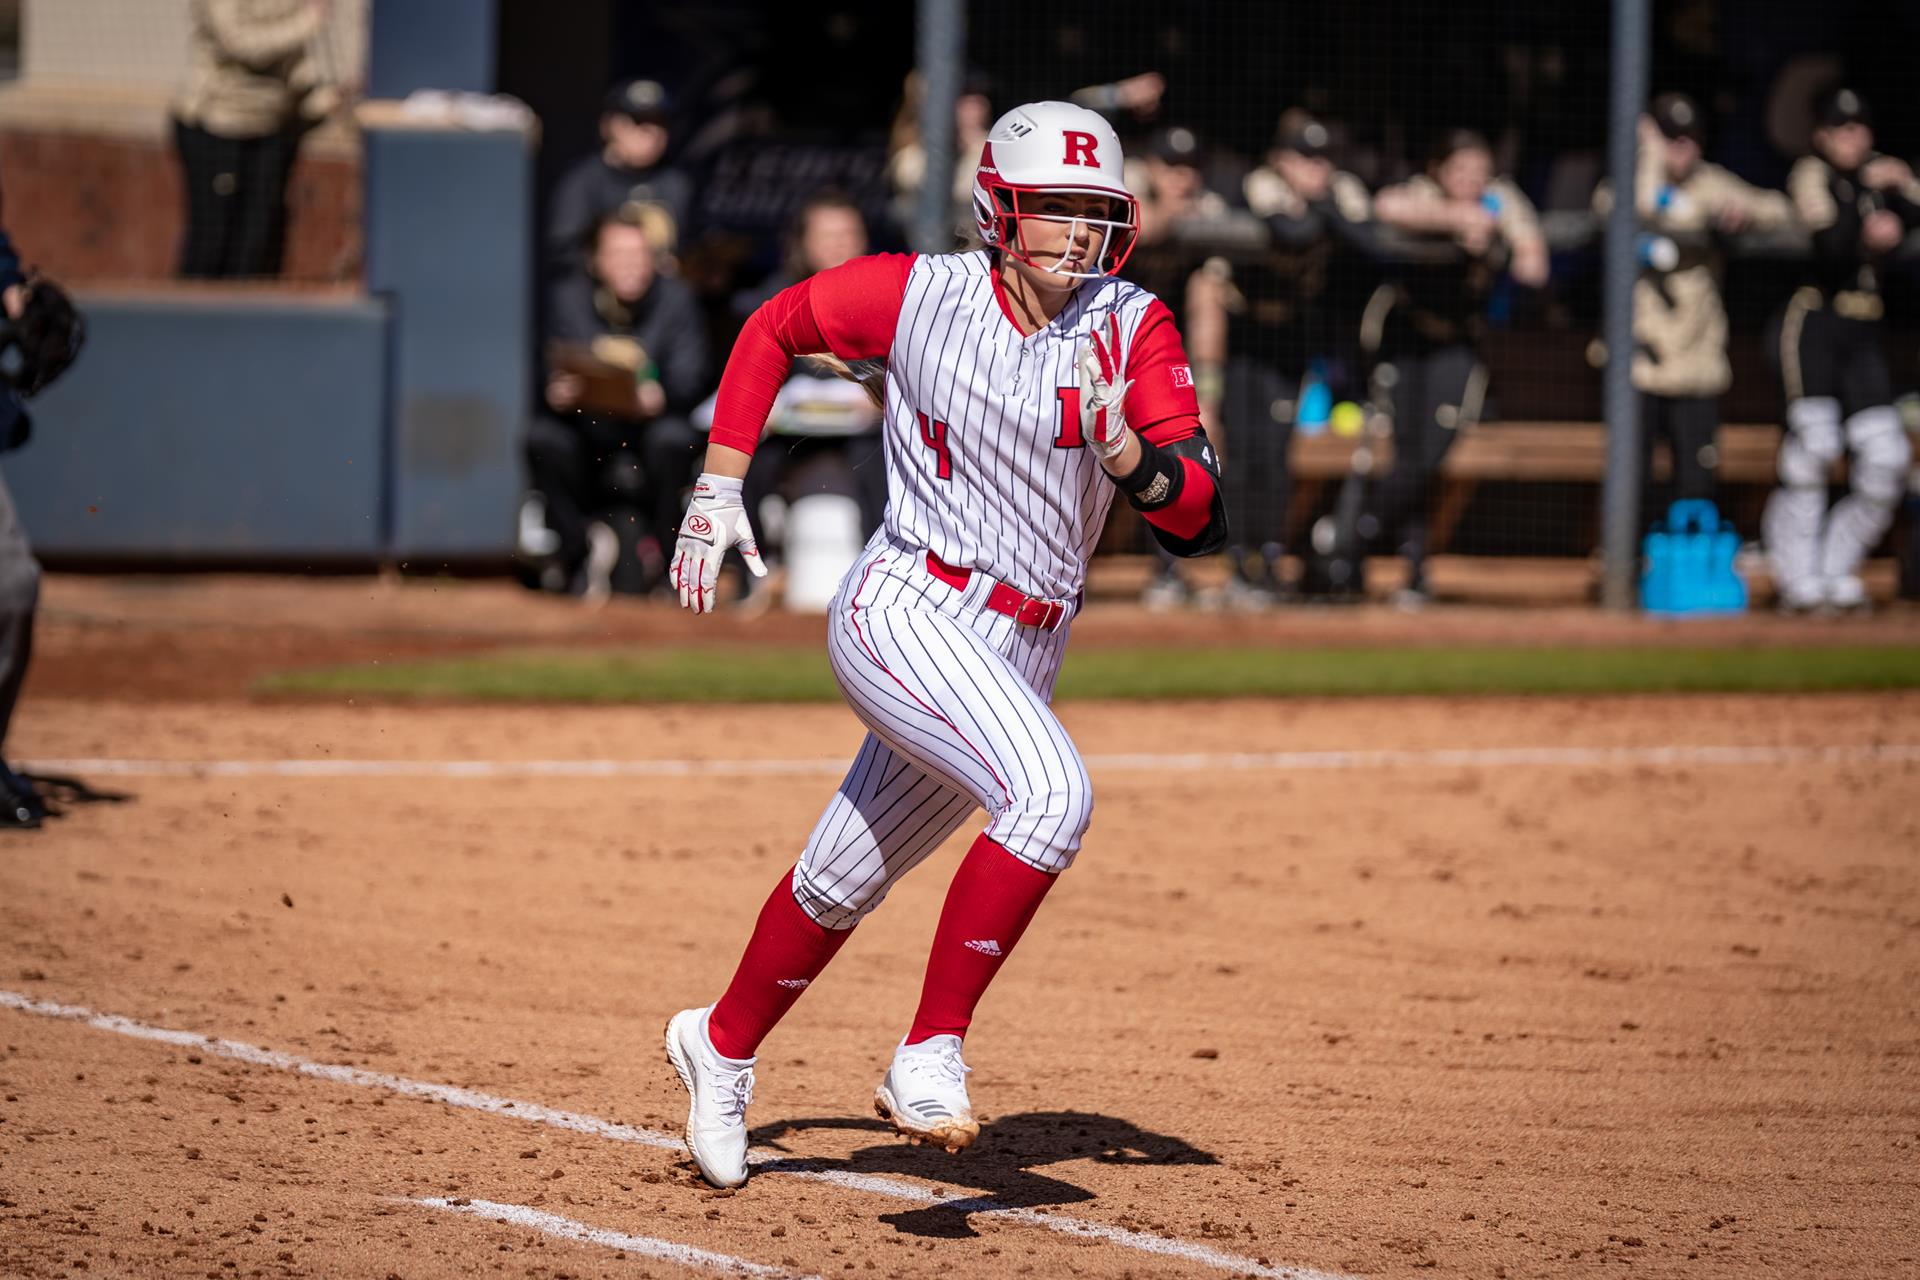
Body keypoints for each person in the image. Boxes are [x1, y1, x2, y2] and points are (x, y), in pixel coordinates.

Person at [660, 100, 1226, 1189]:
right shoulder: (917, 292)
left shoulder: (1133, 322)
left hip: (1026, 644)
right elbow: (773, 325)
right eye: (1053, 207)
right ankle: (931, 1048)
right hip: (908, 605)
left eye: (1094, 210)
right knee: (1050, 796)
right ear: (999, 210)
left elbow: (1199, 518)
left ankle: (718, 1045)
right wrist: (717, 483)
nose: (1077, 231)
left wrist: (1129, 457)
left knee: (841, 878)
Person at [1362, 129, 1549, 606]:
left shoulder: (1499, 198)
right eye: (1460, 169)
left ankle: (1354, 533)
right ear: (1438, 170)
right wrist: (1457, 219)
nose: (1471, 179)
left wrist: (1502, 237)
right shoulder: (1424, 192)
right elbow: (1384, 206)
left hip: (1457, 342)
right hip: (1406, 338)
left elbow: (1534, 267)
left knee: (1432, 452)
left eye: (1479, 170)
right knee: (1407, 452)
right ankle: (1412, 568)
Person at [1196, 111, 1373, 602]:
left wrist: (1324, 209)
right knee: (1242, 448)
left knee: (1275, 452)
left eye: (1324, 157)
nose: (1316, 167)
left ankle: (1269, 559)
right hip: (1247, 333)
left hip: (1294, 334)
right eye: (1304, 156)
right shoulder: (1262, 184)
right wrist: (1327, 215)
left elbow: (1372, 243)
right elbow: (1290, 232)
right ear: (1280, 158)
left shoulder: (1341, 188)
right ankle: (1240, 561)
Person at [1593, 94, 1796, 516]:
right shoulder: (1625, 184)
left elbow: (1782, 210)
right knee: (1632, 481)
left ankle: (1683, 558)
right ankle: (1626, 556)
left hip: (1696, 362)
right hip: (1640, 365)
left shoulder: (1710, 183)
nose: (1682, 147)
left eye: (1691, 137)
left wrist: (1743, 214)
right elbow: (1639, 205)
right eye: (1671, 137)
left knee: (1696, 483)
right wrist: (1649, 154)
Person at [1764, 87, 1917, 613]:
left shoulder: (1883, 175)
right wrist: (1866, 209)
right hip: (1815, 324)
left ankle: (1835, 569)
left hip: (1864, 330)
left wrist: (1903, 191)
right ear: (1821, 135)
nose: (1852, 137)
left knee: (1887, 457)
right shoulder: (1812, 173)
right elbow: (1830, 241)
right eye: (1840, 128)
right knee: (1814, 450)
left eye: (1859, 127)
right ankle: (1797, 580)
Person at [523, 208, 707, 599]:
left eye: (639, 255)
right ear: (595, 261)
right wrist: (558, 390)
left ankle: (669, 560)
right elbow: (548, 367)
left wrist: (660, 395)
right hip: (588, 427)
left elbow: (692, 376)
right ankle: (576, 551)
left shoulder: (677, 299)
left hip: (650, 431)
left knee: (674, 439)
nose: (630, 265)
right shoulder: (568, 299)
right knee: (542, 438)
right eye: (618, 255)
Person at [728, 193, 888, 590]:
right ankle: (745, 573)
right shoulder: (774, 299)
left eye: (848, 234)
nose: (838, 245)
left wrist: (882, 398)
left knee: (880, 460)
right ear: (803, 242)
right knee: (749, 461)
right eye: (827, 236)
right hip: (789, 431)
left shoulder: (886, 297)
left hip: (863, 429)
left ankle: (881, 570)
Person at [171, 0, 339, 279]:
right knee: (212, 242)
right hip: (218, 124)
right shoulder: (304, 21)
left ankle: (243, 307)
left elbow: (291, 61)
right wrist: (308, 22)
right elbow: (238, 43)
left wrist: (323, 100)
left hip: (270, 126)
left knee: (256, 245)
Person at [546, 79, 696, 284]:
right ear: (609, 126)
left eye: (659, 122)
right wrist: (614, 264)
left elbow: (688, 250)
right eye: (638, 121)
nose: (650, 133)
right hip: (597, 295)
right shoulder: (583, 182)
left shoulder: (677, 182)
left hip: (660, 296)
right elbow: (564, 254)